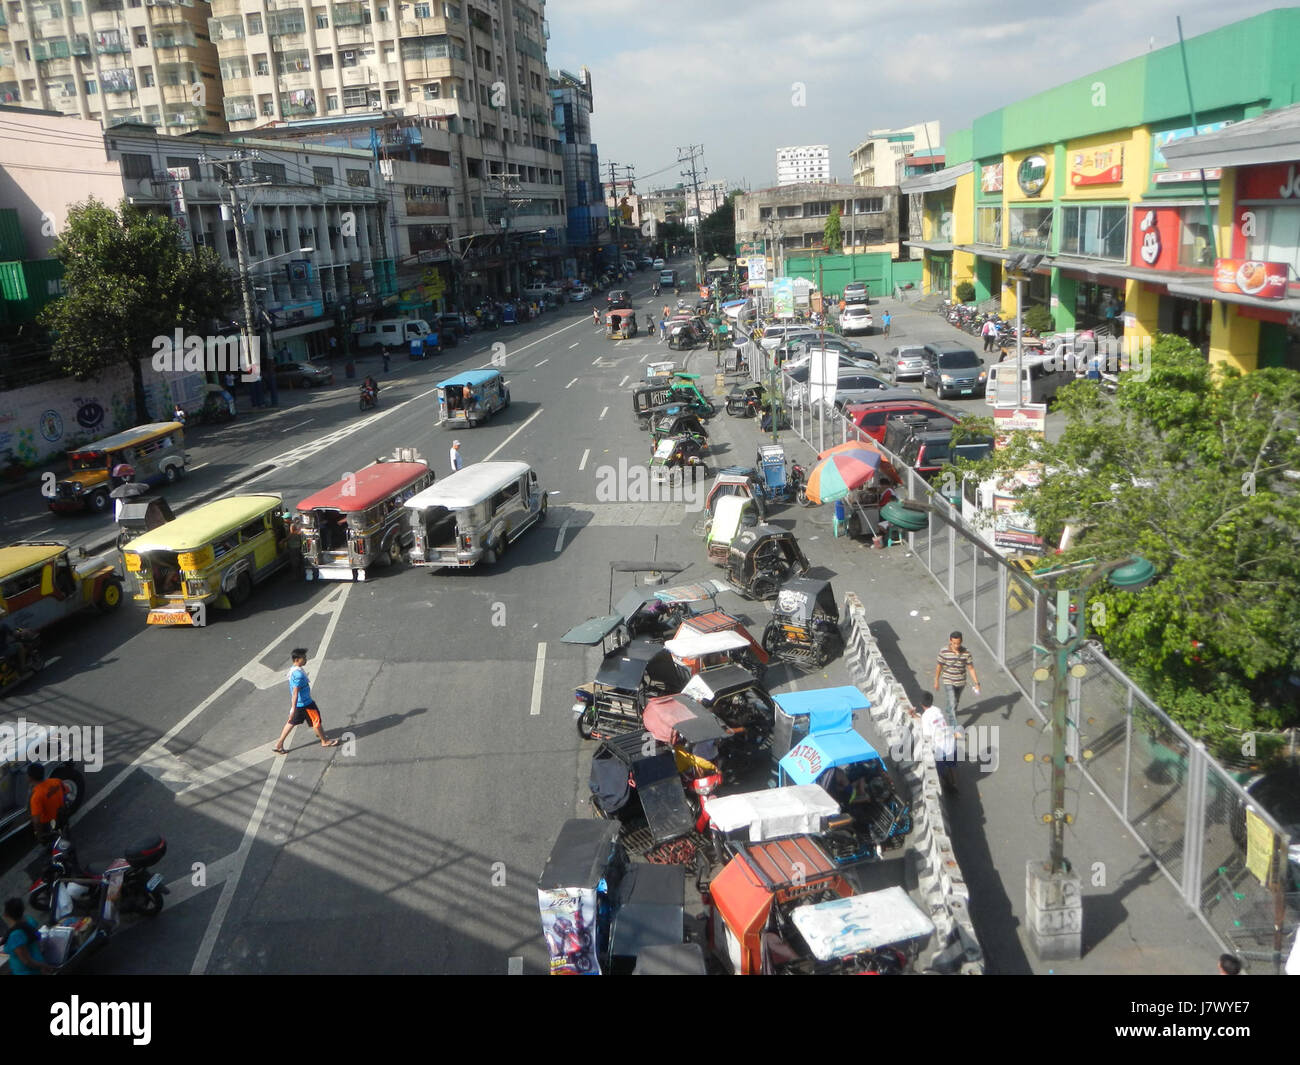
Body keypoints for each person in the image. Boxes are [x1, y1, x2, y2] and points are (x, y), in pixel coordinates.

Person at [272, 648, 339, 753]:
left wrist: (294, 708)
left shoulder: (293, 670)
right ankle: (324, 741)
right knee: (316, 721)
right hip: (306, 704)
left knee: (291, 722)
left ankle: (279, 744)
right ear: (297, 659)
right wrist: (293, 708)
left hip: (300, 704)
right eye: (304, 658)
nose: (306, 659)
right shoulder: (298, 674)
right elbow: (295, 692)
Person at [911, 692, 960, 792]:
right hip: (951, 743)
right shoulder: (936, 709)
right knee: (951, 766)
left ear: (921, 703)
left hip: (941, 749)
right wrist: (915, 716)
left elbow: (927, 735)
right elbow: (932, 722)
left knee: (941, 771)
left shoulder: (925, 717)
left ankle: (947, 785)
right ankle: (954, 783)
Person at [2, 898, 53, 975]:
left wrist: (45, 966)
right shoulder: (30, 921)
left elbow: (27, 962)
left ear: (6, 915)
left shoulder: (15, 936)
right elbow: (38, 936)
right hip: (39, 964)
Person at [934, 630, 980, 716]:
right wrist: (936, 680)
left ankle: (951, 710)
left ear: (961, 641)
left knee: (956, 700)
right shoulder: (944, 651)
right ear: (950, 641)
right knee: (952, 699)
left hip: (961, 681)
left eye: (958, 643)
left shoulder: (966, 653)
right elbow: (939, 666)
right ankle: (953, 723)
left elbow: (971, 669)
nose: (956, 645)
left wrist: (977, 683)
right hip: (948, 680)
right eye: (954, 643)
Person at [27, 763, 66, 841]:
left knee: (52, 842)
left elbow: (37, 821)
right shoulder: (57, 781)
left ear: (30, 778)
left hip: (48, 824)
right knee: (63, 833)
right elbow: (65, 793)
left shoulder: (36, 796)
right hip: (61, 816)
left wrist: (39, 834)